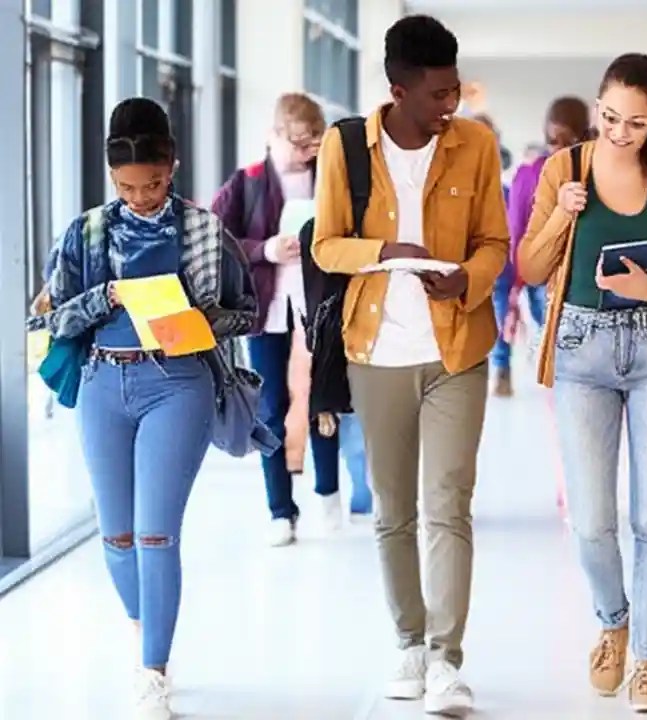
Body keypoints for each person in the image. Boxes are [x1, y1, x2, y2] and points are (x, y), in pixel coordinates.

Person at [311, 15, 509, 717]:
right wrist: (384, 253)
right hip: (376, 351)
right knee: (393, 511)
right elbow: (325, 245)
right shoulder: (345, 147)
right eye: (437, 95)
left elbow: (494, 241)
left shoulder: (475, 145)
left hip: (457, 348)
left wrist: (467, 281)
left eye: (455, 90)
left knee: (449, 504)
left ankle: (447, 661)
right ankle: (410, 644)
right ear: (398, 90)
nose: (450, 104)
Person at [34, 97, 256, 719]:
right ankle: (144, 628)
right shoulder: (85, 233)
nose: (142, 197)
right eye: (128, 186)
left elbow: (247, 312)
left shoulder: (205, 231)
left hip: (178, 385)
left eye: (154, 183)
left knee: (157, 534)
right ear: (111, 176)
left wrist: (198, 318)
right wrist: (108, 297)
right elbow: (49, 318)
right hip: (103, 384)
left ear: (172, 166)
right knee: (117, 536)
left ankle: (152, 670)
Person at [518, 53, 647, 713]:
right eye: (610, 117)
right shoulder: (563, 170)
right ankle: (613, 621)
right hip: (580, 349)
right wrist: (561, 215)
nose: (619, 133)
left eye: (635, 123)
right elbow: (529, 266)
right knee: (592, 520)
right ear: (597, 107)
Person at [212, 93, 370, 545]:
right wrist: (265, 249)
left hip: (322, 309)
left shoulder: (330, 177)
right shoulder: (247, 182)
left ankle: (328, 497)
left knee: (326, 400)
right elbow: (216, 238)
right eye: (298, 143)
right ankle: (280, 511)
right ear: (274, 135)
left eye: (313, 144)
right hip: (268, 312)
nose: (305, 153)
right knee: (270, 408)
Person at [494, 97, 590, 397]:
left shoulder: (596, 171)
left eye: (567, 140)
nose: (559, 148)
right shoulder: (531, 174)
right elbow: (517, 231)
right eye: (553, 141)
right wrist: (517, 284)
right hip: (549, 277)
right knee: (564, 354)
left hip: (581, 277)